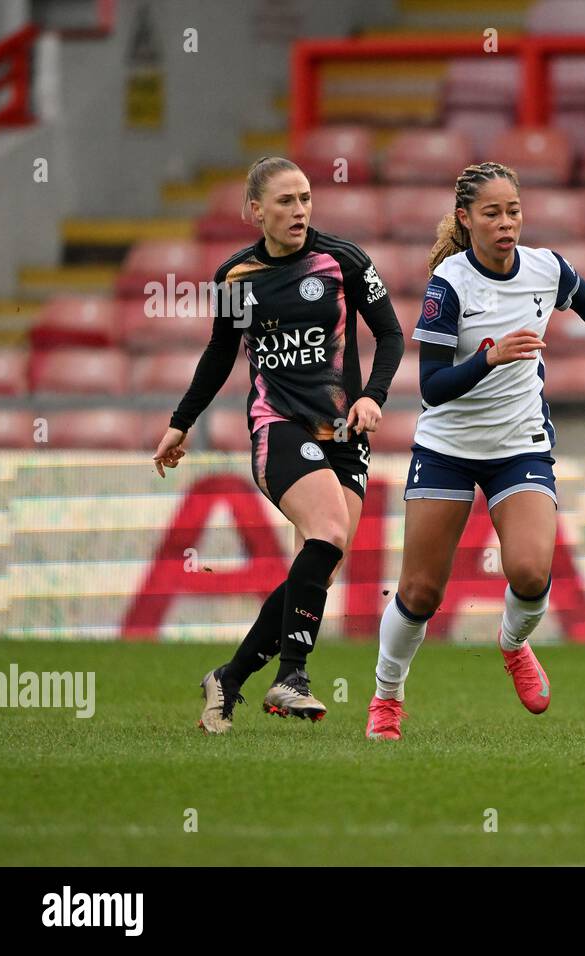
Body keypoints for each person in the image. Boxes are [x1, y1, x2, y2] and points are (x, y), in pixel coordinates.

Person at [364, 161, 585, 740]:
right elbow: (432, 389)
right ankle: (387, 697)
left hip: (519, 444)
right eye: (492, 213)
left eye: (513, 210)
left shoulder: (544, 268)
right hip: (448, 446)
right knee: (419, 591)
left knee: (532, 571)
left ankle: (513, 644)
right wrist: (488, 357)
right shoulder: (449, 288)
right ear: (465, 221)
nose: (506, 222)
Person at [151, 156, 404, 733]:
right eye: (286, 201)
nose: (299, 210)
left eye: (306, 198)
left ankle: (230, 679)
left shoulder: (344, 260)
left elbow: (390, 333)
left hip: (345, 433)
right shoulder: (236, 277)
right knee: (330, 533)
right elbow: (220, 353)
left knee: (319, 569)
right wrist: (181, 420)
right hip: (279, 427)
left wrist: (374, 396)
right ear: (254, 210)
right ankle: (292, 676)